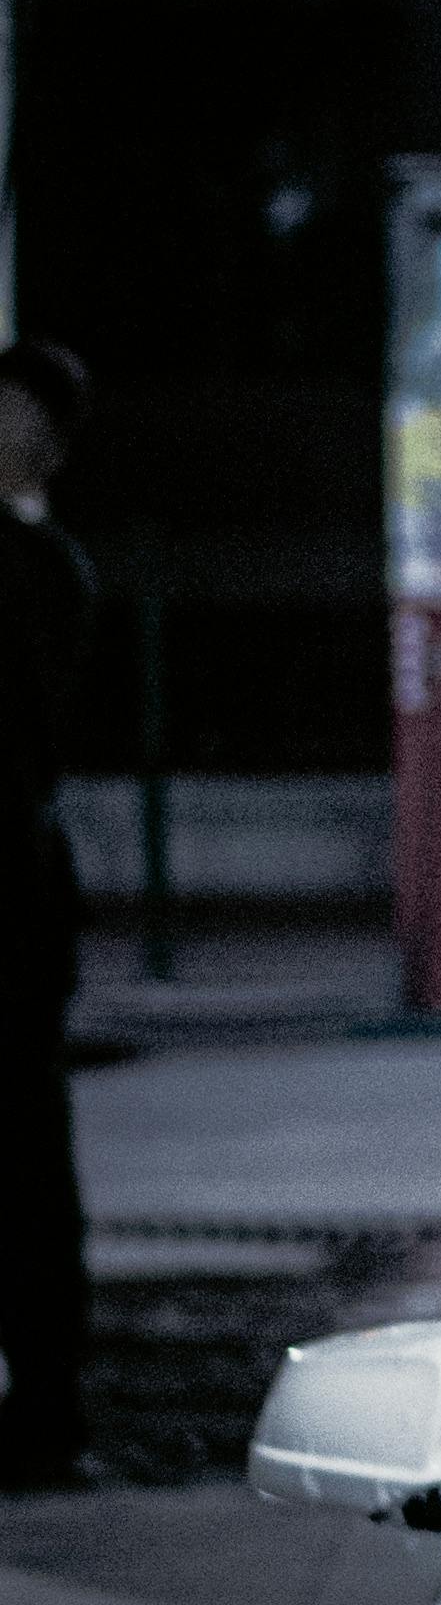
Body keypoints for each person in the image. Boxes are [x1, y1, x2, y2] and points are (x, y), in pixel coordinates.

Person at [0, 342, 95, 1492]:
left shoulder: (37, 568)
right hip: (22, 906)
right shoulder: (43, 566)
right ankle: (46, 1398)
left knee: (26, 1166)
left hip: (13, 915)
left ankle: (48, 1402)